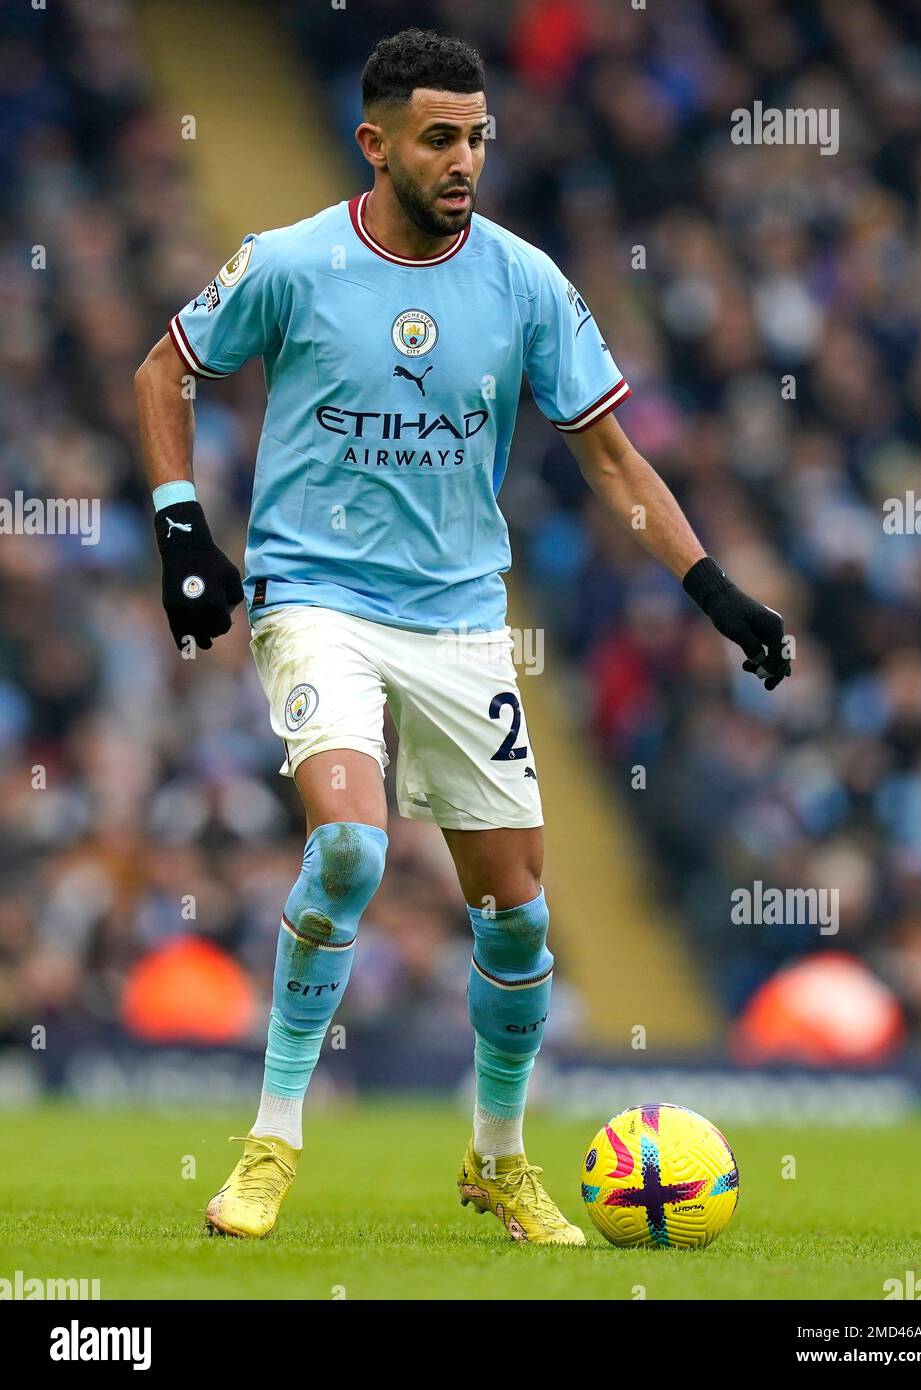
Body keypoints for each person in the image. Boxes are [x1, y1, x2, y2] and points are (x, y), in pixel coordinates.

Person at [133, 27, 790, 1245]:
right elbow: (162, 373)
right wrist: (183, 532)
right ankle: (271, 1141)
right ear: (373, 142)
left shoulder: (528, 283)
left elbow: (613, 458)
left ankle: (496, 1161)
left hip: (460, 624)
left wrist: (713, 588)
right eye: (441, 138)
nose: (465, 161)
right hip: (316, 601)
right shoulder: (288, 263)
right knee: (350, 851)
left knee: (519, 914)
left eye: (479, 138)